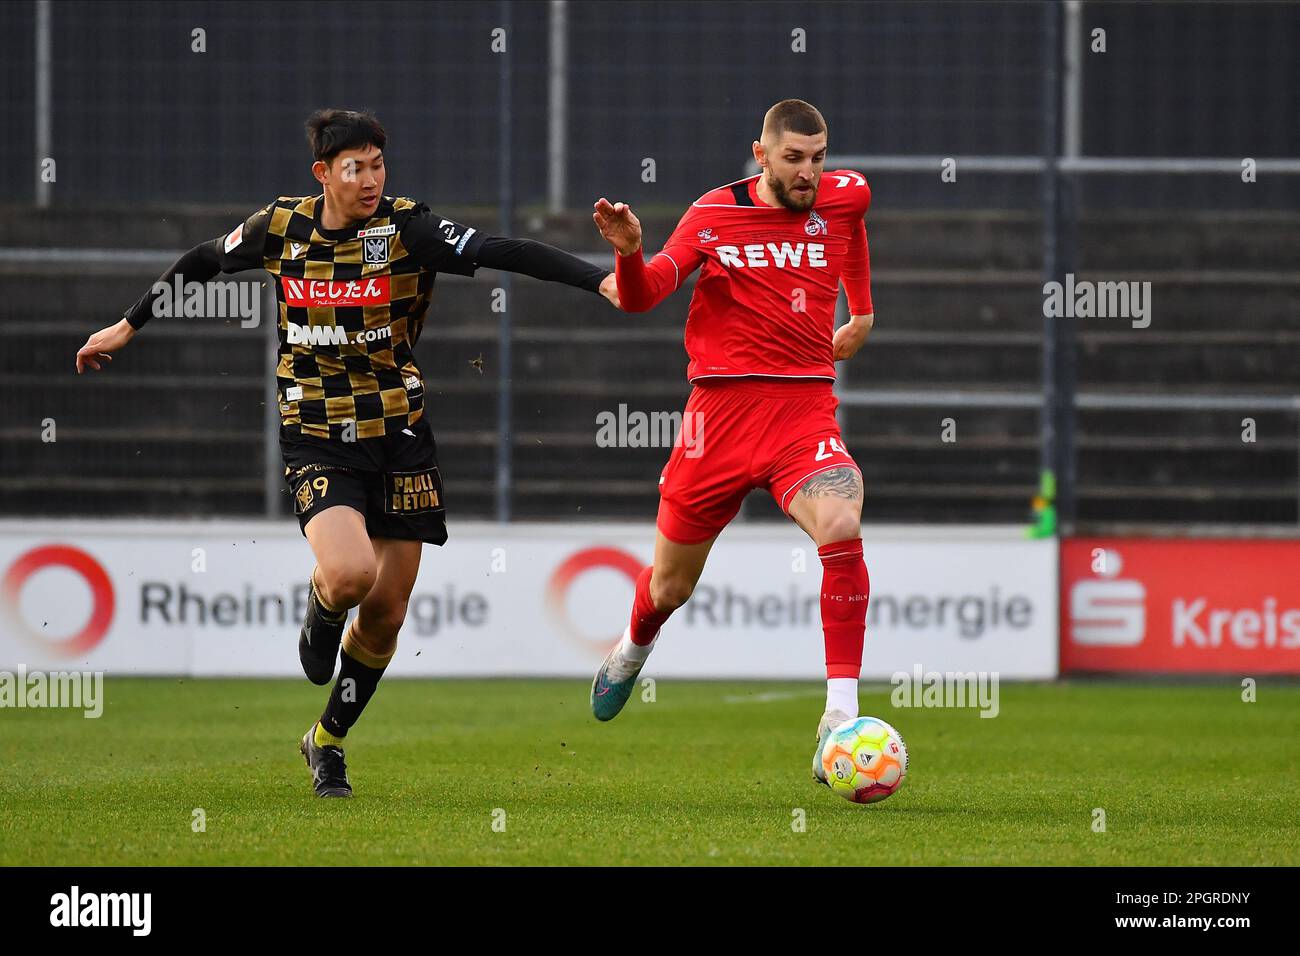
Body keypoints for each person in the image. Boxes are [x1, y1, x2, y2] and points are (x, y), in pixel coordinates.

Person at [76, 108, 620, 797]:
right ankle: (323, 607)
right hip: (315, 425)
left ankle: (325, 742)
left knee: (389, 612)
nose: (369, 179)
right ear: (323, 174)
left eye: (378, 164)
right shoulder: (282, 226)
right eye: (354, 167)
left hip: (399, 432)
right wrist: (128, 325)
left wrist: (599, 279)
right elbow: (205, 259)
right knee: (351, 574)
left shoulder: (408, 229)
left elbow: (503, 251)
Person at [588, 99, 875, 786]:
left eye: (818, 156)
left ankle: (840, 714)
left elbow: (851, 227)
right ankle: (632, 646)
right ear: (762, 154)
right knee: (670, 586)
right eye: (794, 158)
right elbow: (643, 295)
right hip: (714, 419)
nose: (809, 172)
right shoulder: (713, 213)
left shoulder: (844, 195)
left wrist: (861, 308)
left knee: (840, 520)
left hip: (802, 411)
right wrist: (630, 253)